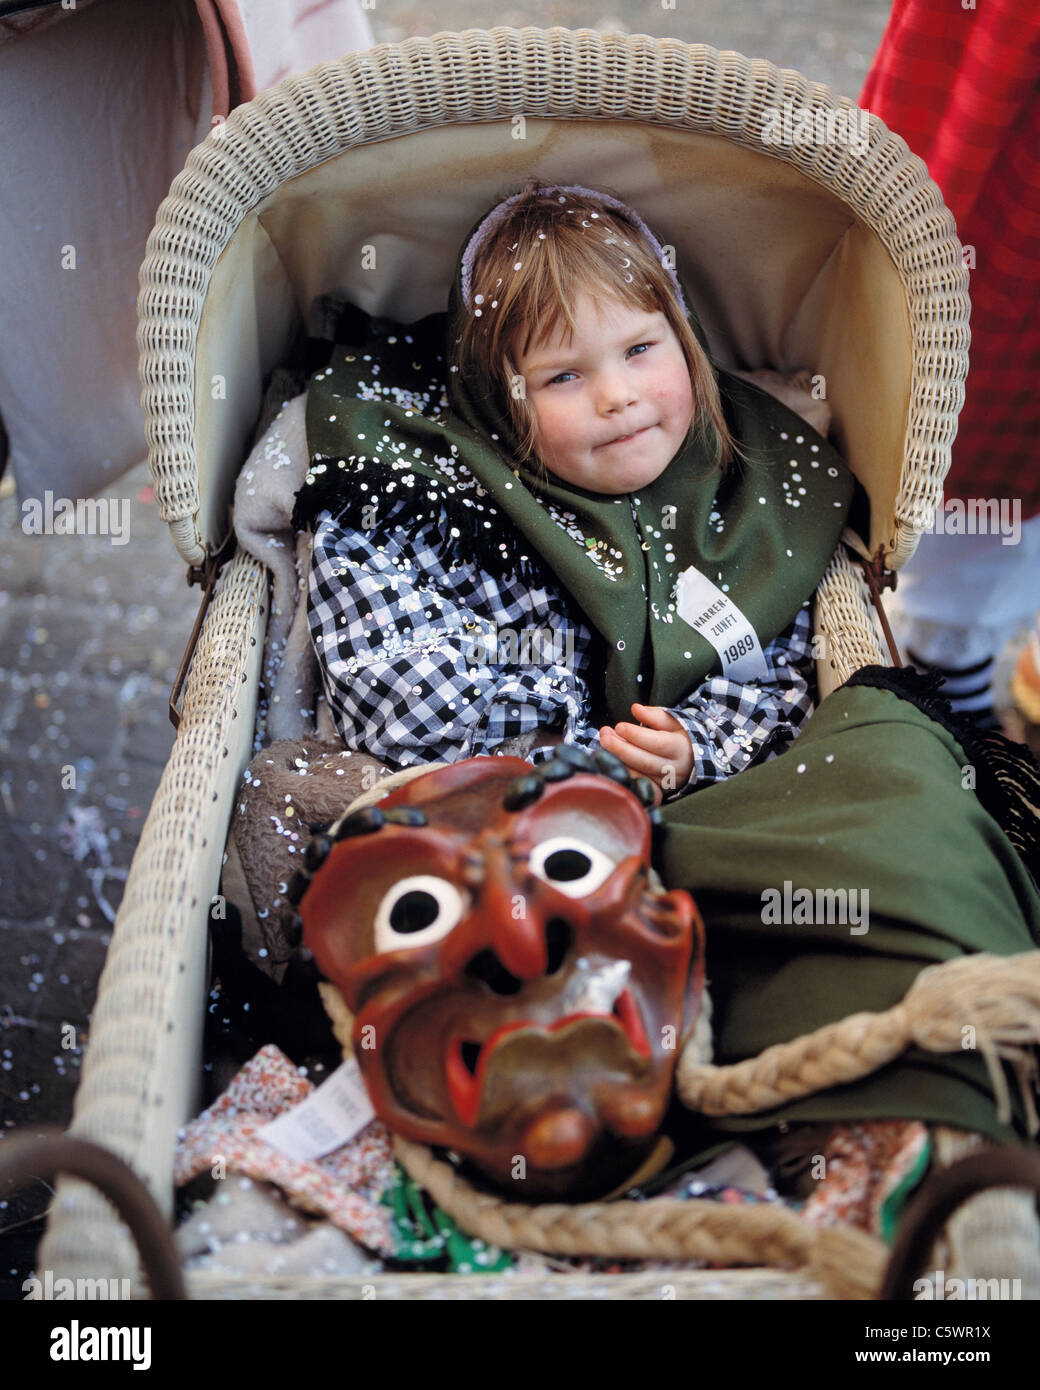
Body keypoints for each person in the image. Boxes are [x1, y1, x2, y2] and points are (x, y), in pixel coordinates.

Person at [289, 184, 854, 802]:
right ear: (500, 398)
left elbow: (784, 674)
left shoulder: (750, 484)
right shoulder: (422, 505)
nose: (616, 396)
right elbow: (396, 702)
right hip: (494, 816)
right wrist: (593, 751)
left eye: (639, 349)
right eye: (563, 375)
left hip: (695, 807)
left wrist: (697, 746)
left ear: (686, 339)